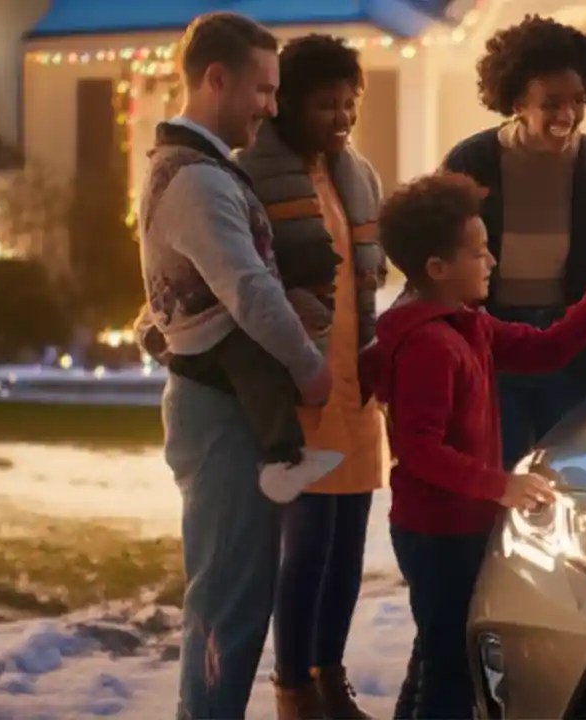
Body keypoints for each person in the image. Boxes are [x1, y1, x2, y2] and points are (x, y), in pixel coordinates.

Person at [365, 171, 586, 719]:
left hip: (463, 524)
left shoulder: (470, 325)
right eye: (479, 253)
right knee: (450, 665)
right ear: (439, 269)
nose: (491, 263)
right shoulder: (429, 345)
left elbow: (545, 350)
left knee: (437, 652)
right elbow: (419, 449)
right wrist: (502, 485)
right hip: (436, 534)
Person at [134, 12, 332, 719]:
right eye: (263, 89)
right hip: (219, 411)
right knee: (228, 601)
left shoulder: (193, 169)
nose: (272, 107)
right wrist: (312, 371)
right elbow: (246, 290)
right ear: (216, 78)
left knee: (235, 594)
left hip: (219, 401)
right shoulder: (198, 181)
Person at [235, 34, 387, 719]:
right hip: (301, 385)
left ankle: (331, 673)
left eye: (350, 103)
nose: (343, 116)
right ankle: (293, 686)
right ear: (288, 102)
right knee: (310, 547)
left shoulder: (354, 173)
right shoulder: (253, 173)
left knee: (350, 543)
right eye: (328, 104)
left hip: (357, 383)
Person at [442, 15, 586, 475]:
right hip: (493, 339)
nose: (567, 116)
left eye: (577, 101)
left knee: (573, 476)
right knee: (497, 474)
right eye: (550, 103)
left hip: (572, 337)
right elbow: (447, 257)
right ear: (517, 101)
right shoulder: (471, 160)